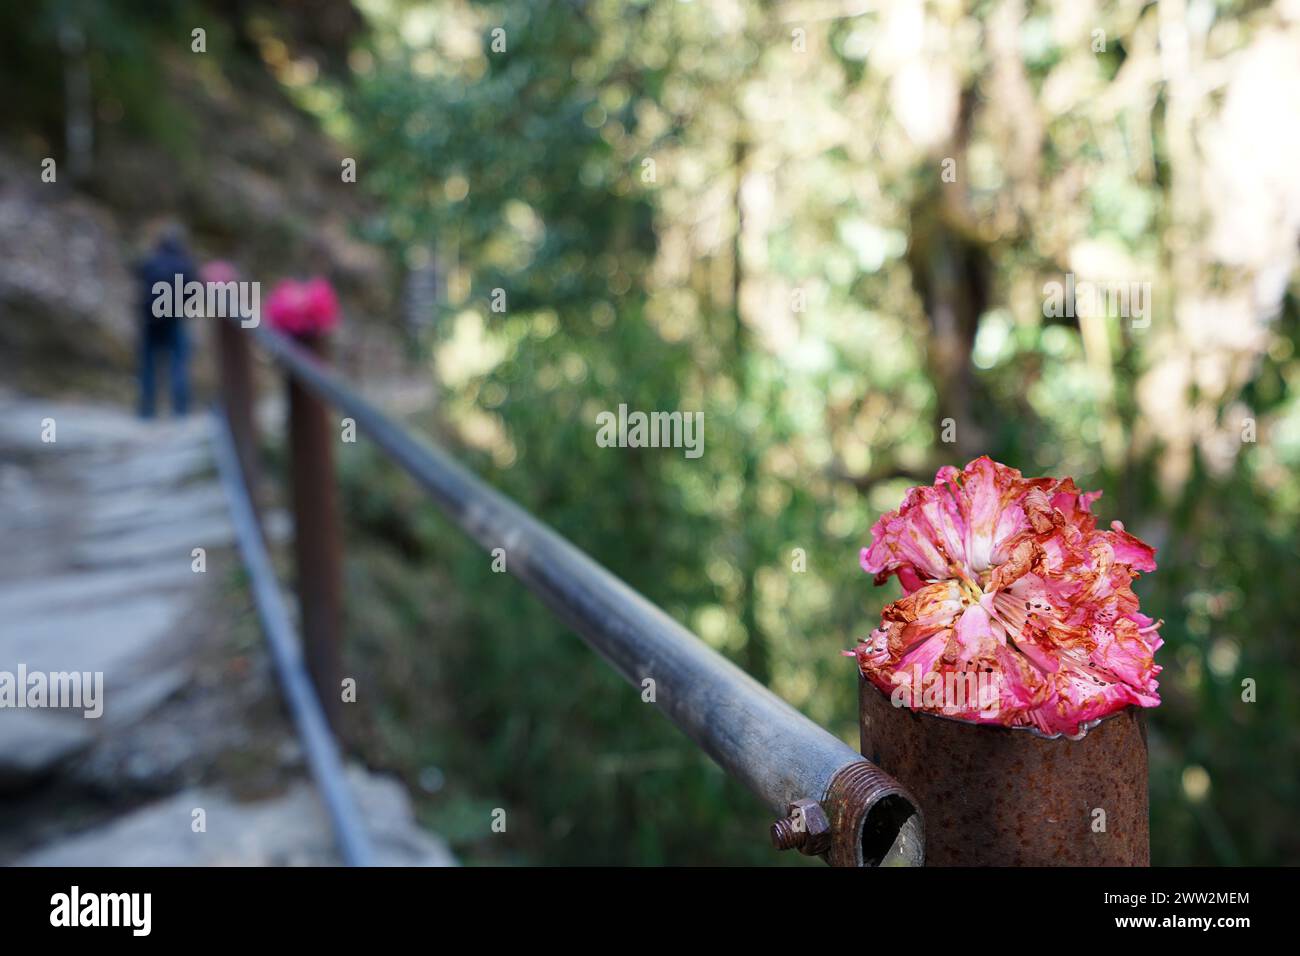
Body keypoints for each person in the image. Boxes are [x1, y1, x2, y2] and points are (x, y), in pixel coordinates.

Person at [135, 224, 196, 418]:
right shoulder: (184, 265)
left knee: (149, 365)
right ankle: (180, 409)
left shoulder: (151, 262)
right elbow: (193, 292)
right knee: (178, 364)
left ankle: (147, 409)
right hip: (175, 319)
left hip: (151, 320)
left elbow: (141, 281)